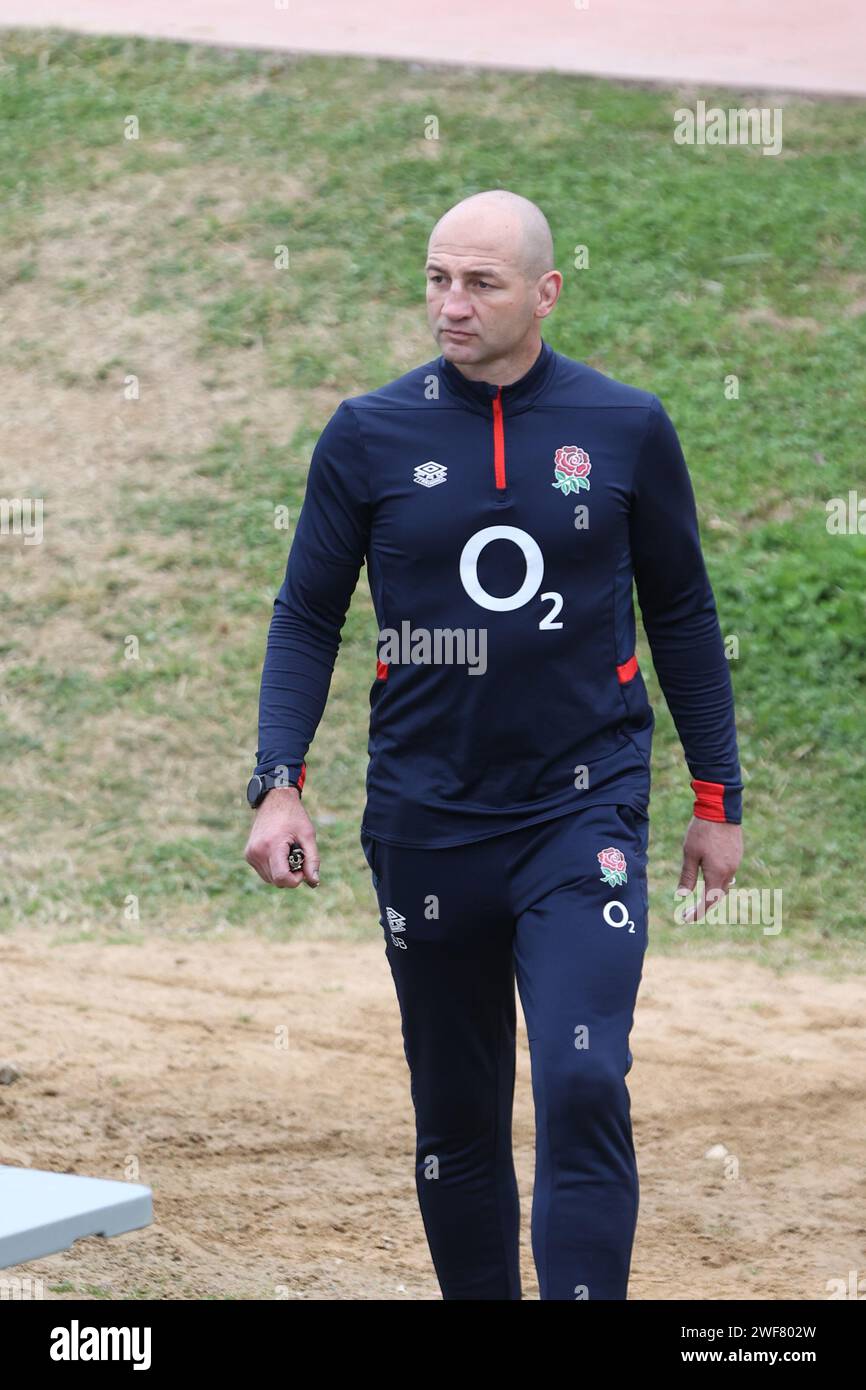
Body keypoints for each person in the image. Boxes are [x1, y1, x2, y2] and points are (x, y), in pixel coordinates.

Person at [244, 188, 744, 1300]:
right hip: (426, 820)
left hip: (581, 810)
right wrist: (278, 783)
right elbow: (305, 615)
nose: (449, 304)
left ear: (544, 292)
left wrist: (717, 797)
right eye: (435, 278)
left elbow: (682, 613)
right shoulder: (369, 432)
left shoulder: (624, 427)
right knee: (457, 1116)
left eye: (480, 282)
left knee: (579, 1081)